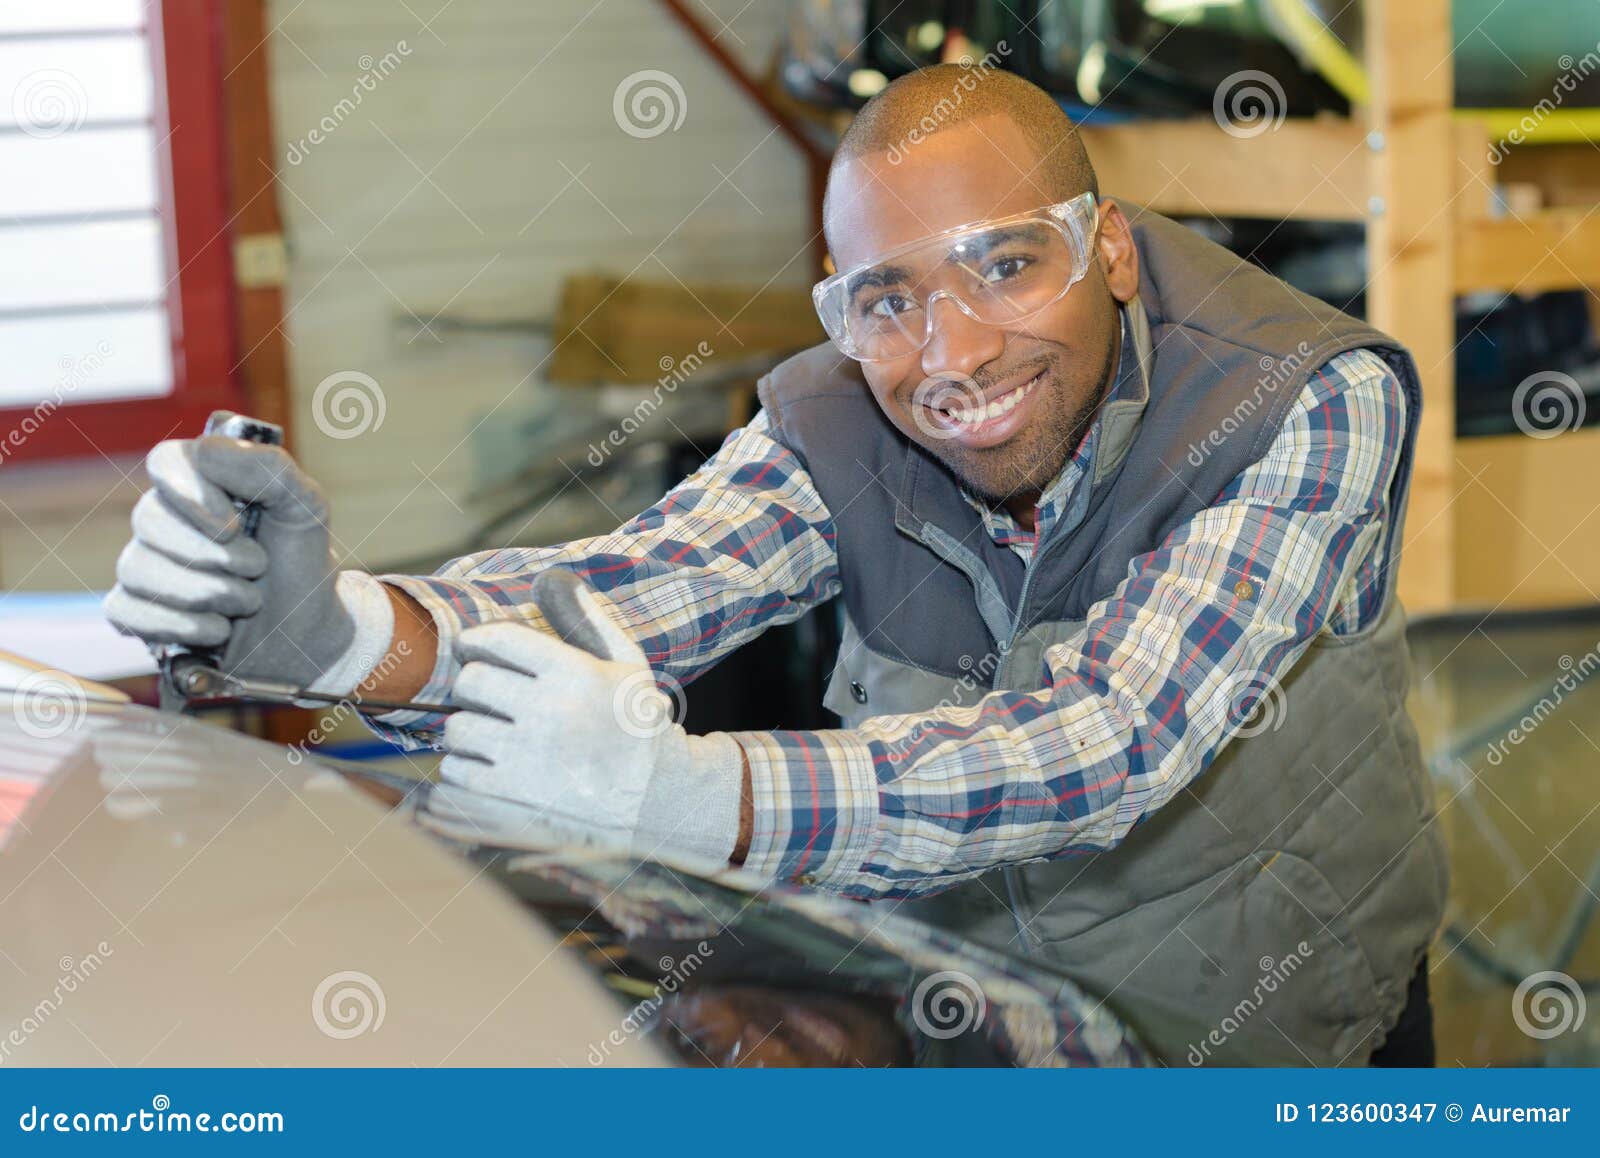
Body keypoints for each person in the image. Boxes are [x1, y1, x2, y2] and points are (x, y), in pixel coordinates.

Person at [106, 65, 1448, 1066]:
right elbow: (639, 586)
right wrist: (345, 631)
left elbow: (1108, 741)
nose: (955, 354)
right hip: (979, 1022)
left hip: (1271, 1035)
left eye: (1005, 266)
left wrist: (687, 793)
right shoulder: (845, 407)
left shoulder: (1301, 402)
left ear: (1106, 248)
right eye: (889, 299)